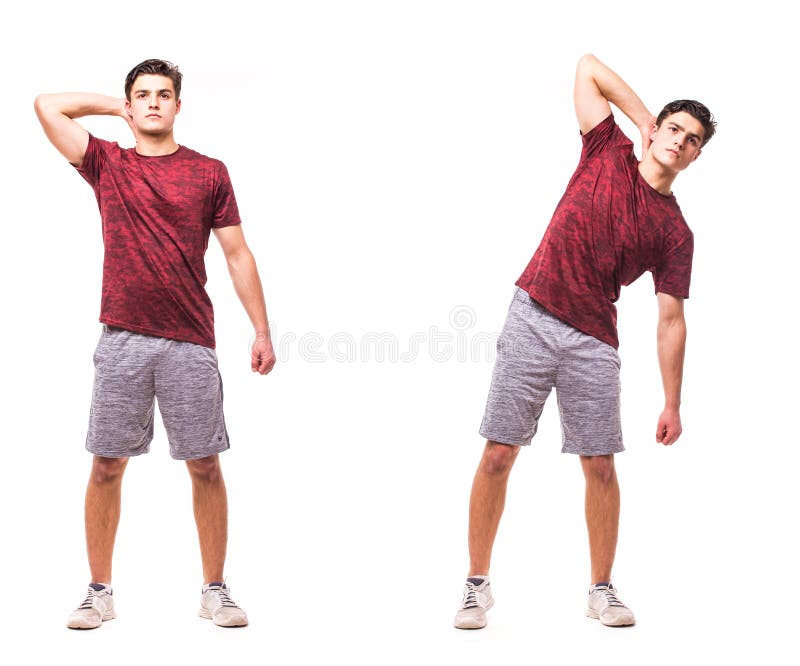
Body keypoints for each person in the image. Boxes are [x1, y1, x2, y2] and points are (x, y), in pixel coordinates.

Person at [454, 54, 716, 629]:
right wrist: (646, 116)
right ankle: (476, 585)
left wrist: (672, 401)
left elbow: (671, 319)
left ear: (697, 156)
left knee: (599, 465)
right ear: (657, 132)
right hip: (532, 315)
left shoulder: (676, 233)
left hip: (593, 340)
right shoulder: (606, 150)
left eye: (692, 139)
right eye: (674, 128)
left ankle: (601, 589)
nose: (679, 141)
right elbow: (588, 67)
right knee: (499, 452)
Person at [34, 59, 276, 629]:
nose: (151, 104)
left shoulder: (209, 172)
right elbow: (47, 105)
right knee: (106, 467)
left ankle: (214, 590)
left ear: (177, 106)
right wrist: (110, 105)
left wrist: (261, 330)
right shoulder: (107, 164)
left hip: (190, 342)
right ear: (130, 104)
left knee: (205, 467)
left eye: (162, 95)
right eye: (141, 96)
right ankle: (99, 591)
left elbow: (237, 254)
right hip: (122, 340)